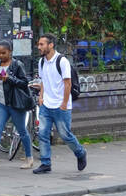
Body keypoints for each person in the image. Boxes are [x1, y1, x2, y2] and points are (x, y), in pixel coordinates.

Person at [31, 34, 86, 174]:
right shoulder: (41, 62)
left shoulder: (62, 61)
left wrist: (64, 103)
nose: (39, 47)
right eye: (39, 44)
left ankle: (80, 153)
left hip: (61, 106)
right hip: (46, 105)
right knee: (43, 134)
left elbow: (67, 83)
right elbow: (43, 81)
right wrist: (41, 97)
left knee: (65, 135)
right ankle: (45, 163)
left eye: (42, 44)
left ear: (51, 45)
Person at [0, 41, 35, 170]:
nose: (1, 55)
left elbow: (24, 83)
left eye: (4, 53)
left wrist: (9, 78)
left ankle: (29, 158)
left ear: (10, 51)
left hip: (15, 104)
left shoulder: (17, 65)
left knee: (22, 131)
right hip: (1, 104)